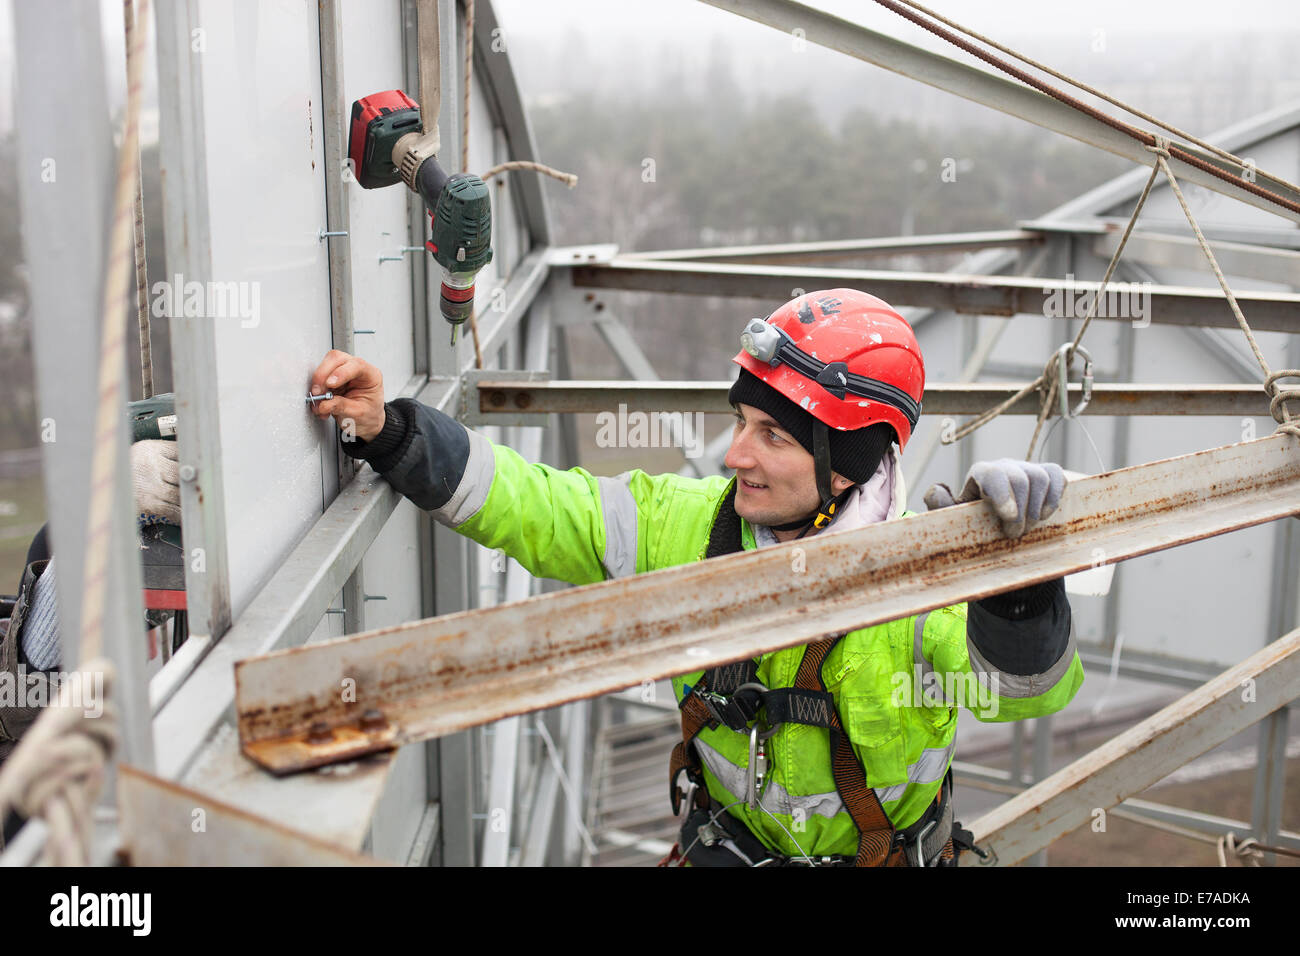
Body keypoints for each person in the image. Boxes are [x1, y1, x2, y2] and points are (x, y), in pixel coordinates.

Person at [310, 288, 1082, 867]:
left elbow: (1023, 694)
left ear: (848, 462)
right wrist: (395, 432)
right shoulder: (684, 527)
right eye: (740, 423)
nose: (734, 456)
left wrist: (1017, 585)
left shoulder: (925, 577)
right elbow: (537, 506)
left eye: (772, 434)